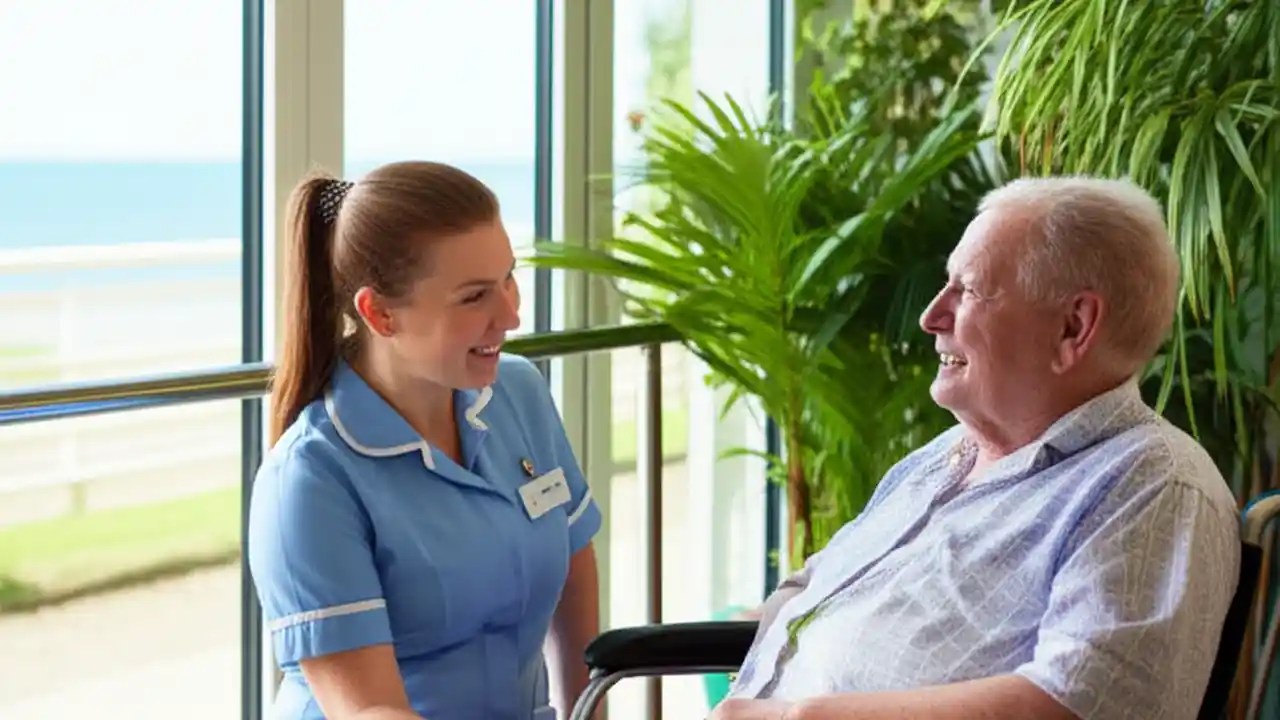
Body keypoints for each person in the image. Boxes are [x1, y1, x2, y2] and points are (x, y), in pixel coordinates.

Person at [711, 177, 1241, 720]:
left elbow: (1082, 705)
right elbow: (821, 583)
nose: (930, 316)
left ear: (1072, 327)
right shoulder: (944, 458)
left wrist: (797, 717)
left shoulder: (1152, 484)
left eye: (968, 291)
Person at [247, 161, 602, 720]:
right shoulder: (308, 480)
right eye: (474, 297)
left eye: (508, 277)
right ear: (380, 313)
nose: (511, 314)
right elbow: (372, 711)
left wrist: (589, 713)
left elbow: (574, 556)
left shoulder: (519, 392)